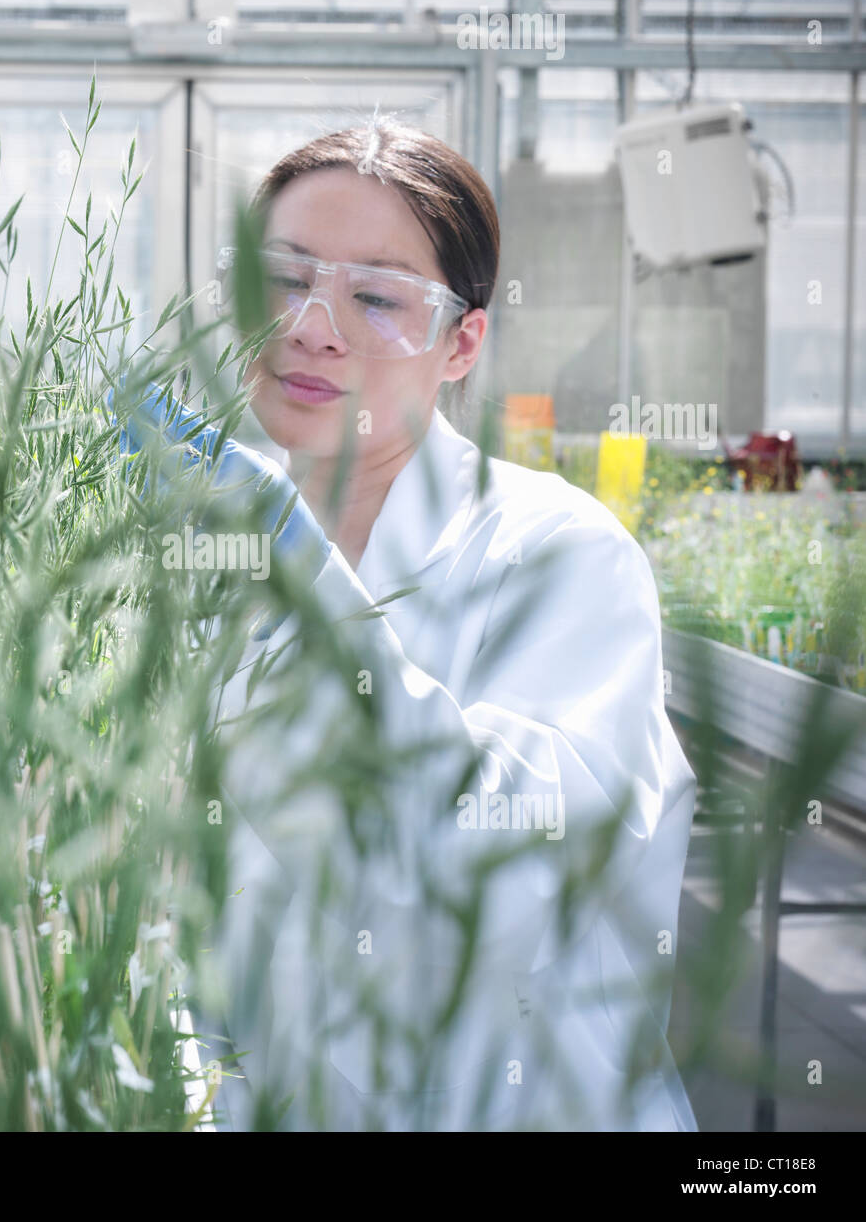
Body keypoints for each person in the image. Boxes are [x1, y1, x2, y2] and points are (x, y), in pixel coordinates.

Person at [110, 120, 698, 1131]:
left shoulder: (560, 553)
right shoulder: (194, 551)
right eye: (284, 279)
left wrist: (316, 609)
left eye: (378, 299)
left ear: (461, 341)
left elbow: (507, 868)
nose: (312, 326)